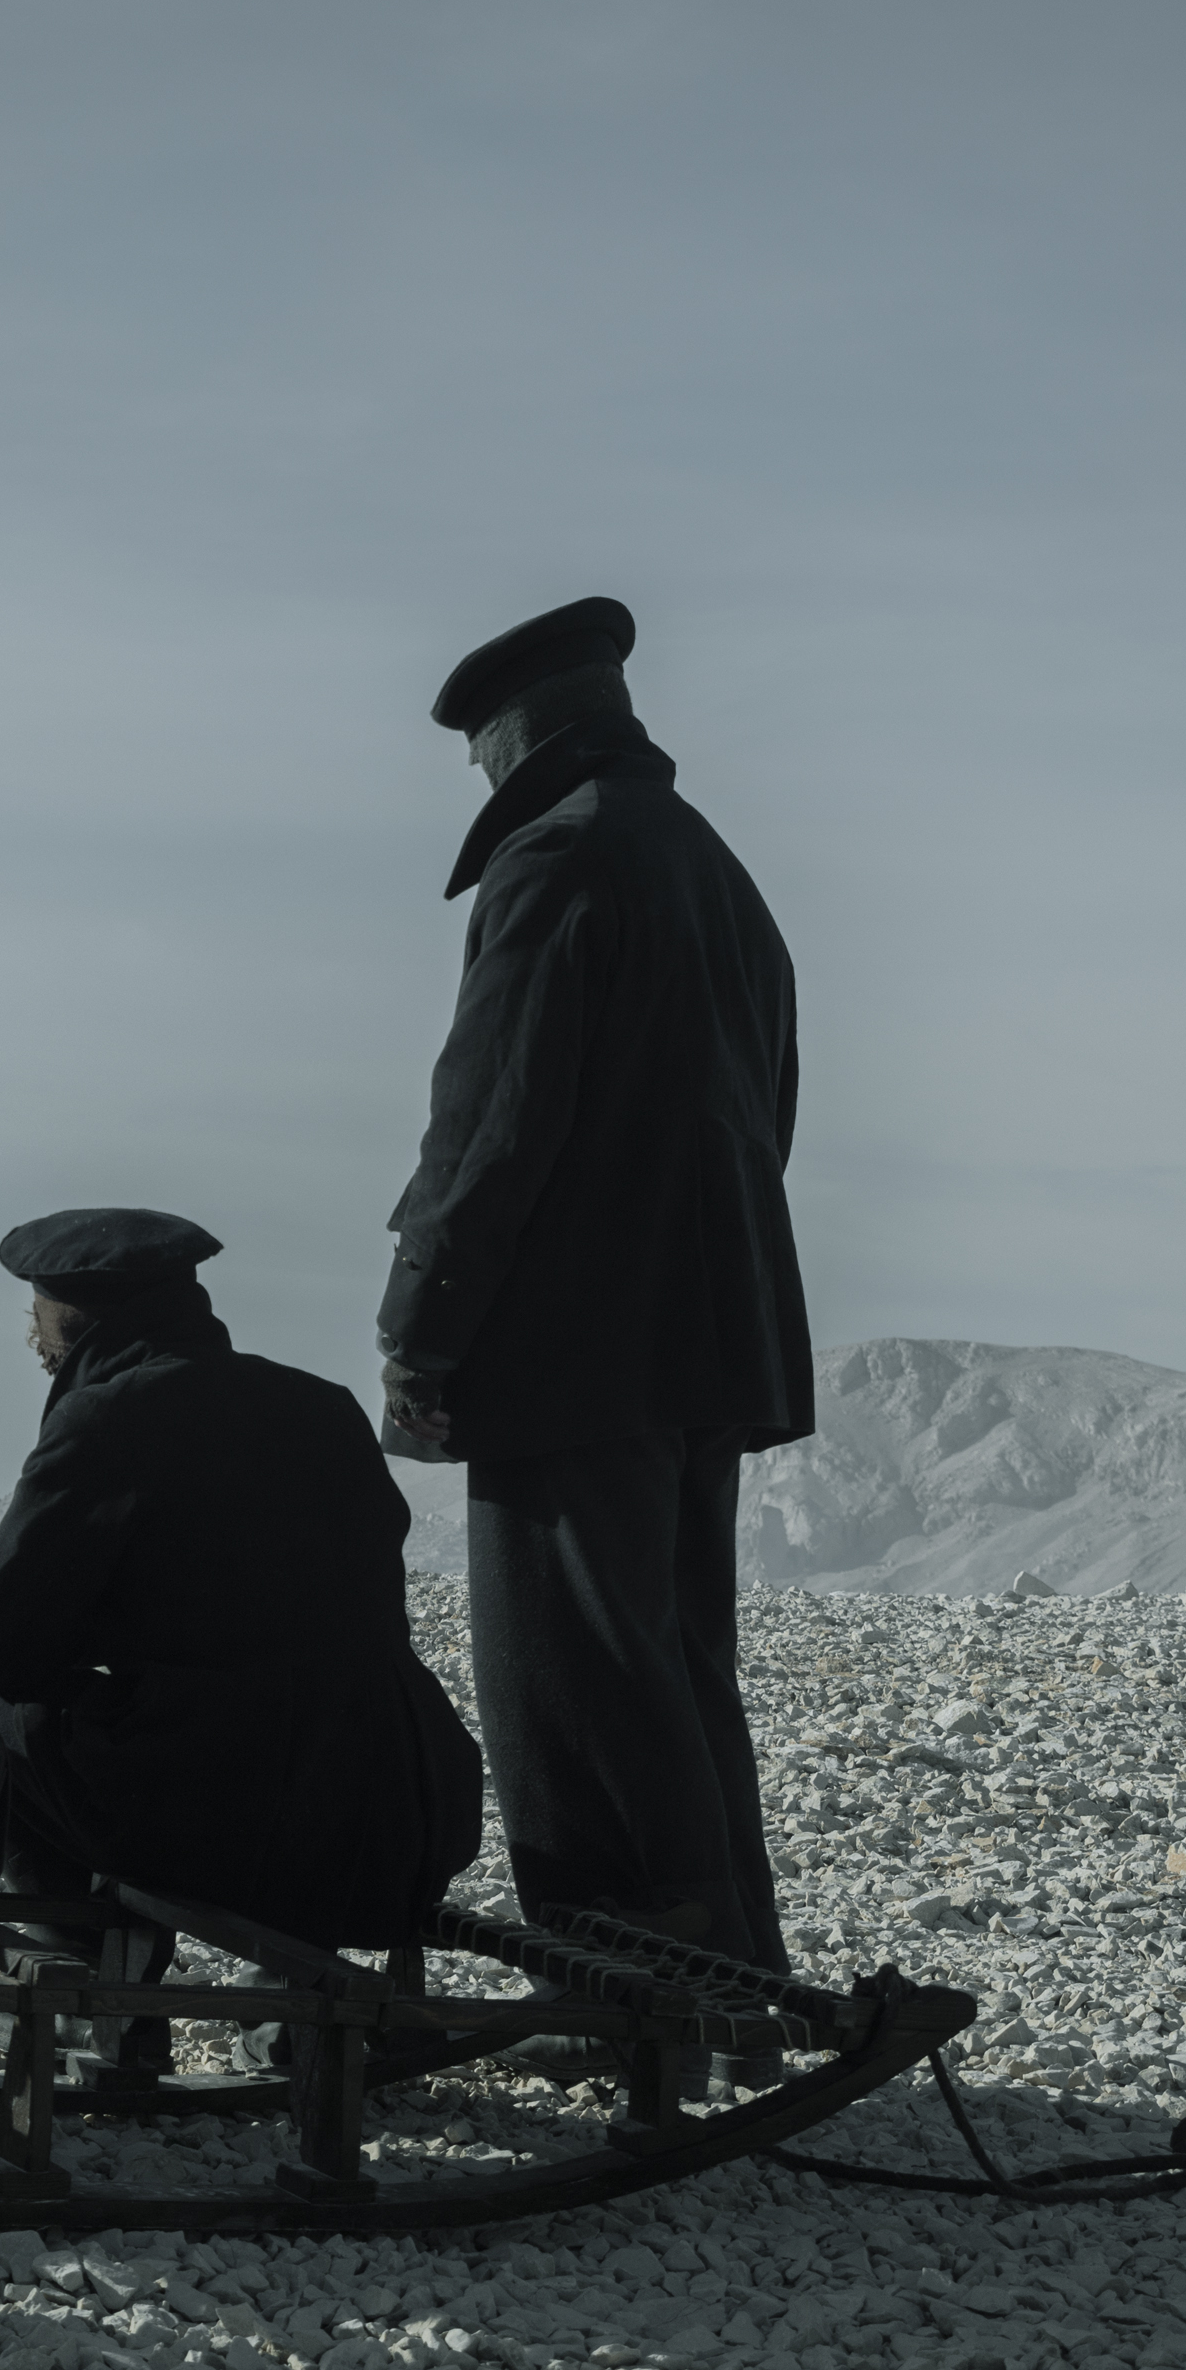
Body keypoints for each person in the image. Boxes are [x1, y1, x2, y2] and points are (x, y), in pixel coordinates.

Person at [377, 595, 812, 1979]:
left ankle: (632, 1968)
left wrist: (420, 1331)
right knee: (675, 1655)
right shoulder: (712, 869)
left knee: (569, 1673)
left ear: (516, 745)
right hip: (710, 1334)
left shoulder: (557, 863)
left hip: (572, 1343)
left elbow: (493, 1125)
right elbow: (770, 1110)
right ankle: (732, 1955)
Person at [0, 1207, 483, 1962]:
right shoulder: (325, 1406)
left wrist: (92, 1664)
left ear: (76, 1317)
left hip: (226, 1816)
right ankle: (280, 2003)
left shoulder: (109, 1415)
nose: (33, 1335)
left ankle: (73, 1960)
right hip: (393, 1804)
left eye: (39, 1312)